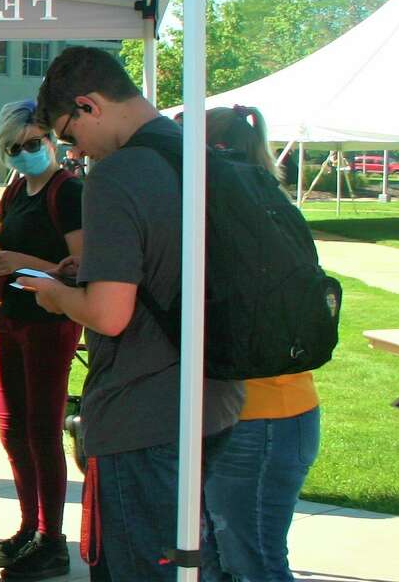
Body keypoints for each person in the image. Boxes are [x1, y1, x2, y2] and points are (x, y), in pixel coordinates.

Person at [27, 46, 244, 581]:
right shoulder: (195, 152)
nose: (77, 151)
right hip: (214, 401)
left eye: (70, 135)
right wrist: (96, 267)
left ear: (88, 105)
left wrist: (55, 295)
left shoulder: (118, 173)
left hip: (142, 413)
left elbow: (108, 315)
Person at [199, 105, 321, 582]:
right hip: (274, 412)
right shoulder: (270, 207)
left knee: (254, 564)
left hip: (258, 417)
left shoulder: (230, 218)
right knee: (217, 560)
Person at [0, 100, 84, 579]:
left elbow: (80, 267)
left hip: (50, 321)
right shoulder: (17, 188)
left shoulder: (68, 191)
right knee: (13, 430)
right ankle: (30, 528)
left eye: (33, 143)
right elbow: (9, 245)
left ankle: (51, 540)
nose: (23, 154)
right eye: (13, 149)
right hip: (14, 317)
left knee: (42, 431)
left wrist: (19, 260)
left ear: (52, 140)